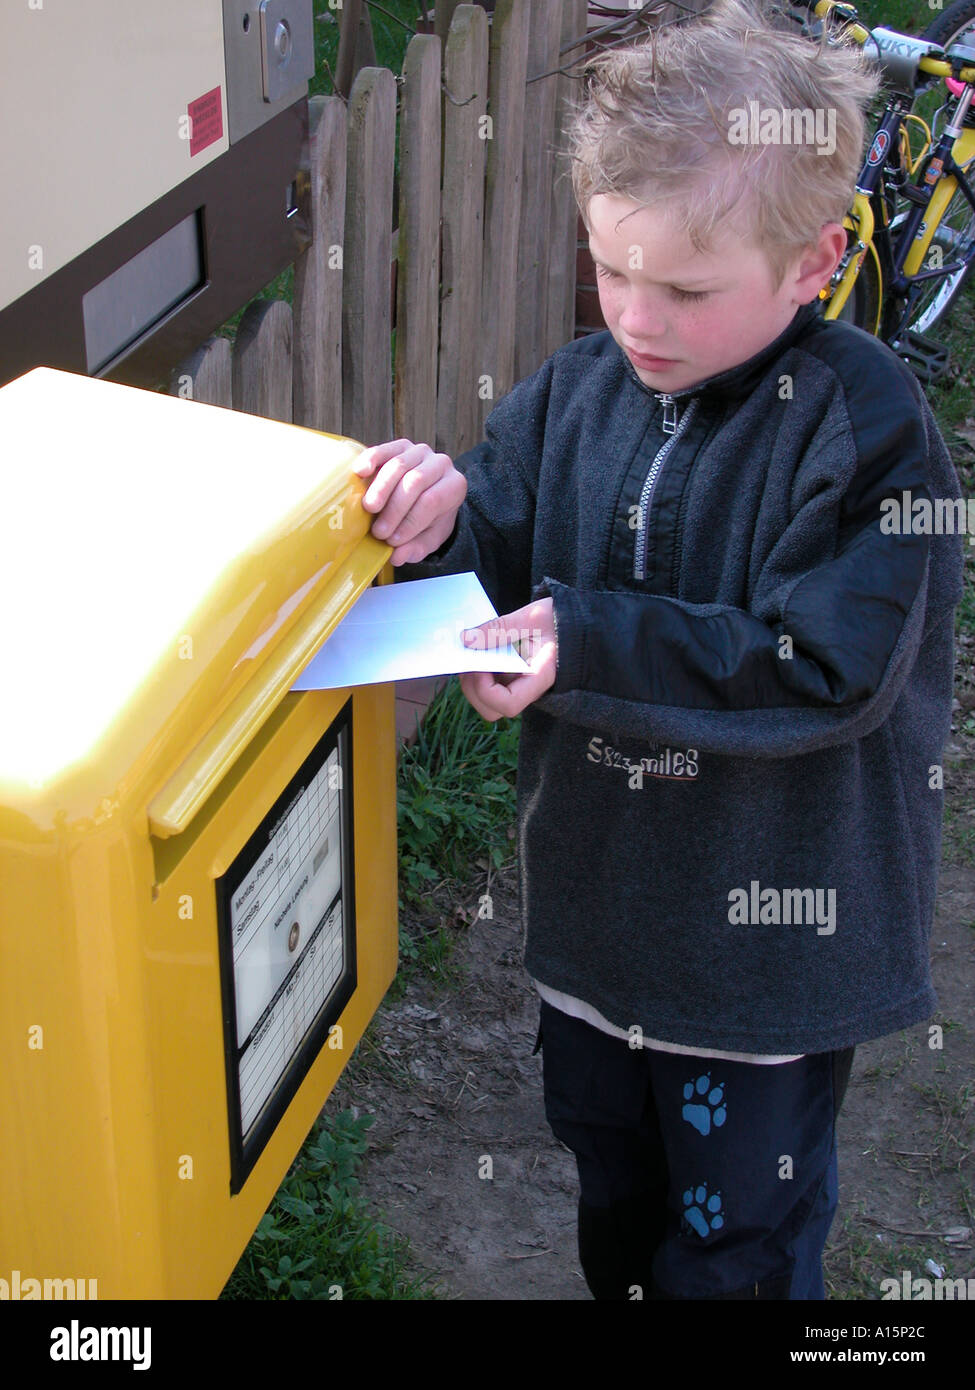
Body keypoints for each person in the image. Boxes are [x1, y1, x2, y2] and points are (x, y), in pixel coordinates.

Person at [351, 0, 965, 1299]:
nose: (638, 316)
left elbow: (823, 663)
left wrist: (583, 640)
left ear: (813, 261)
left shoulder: (870, 433)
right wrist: (436, 515)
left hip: (762, 977)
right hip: (596, 939)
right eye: (611, 267)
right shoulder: (579, 387)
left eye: (686, 287)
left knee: (736, 1247)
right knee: (614, 1206)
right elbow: (494, 547)